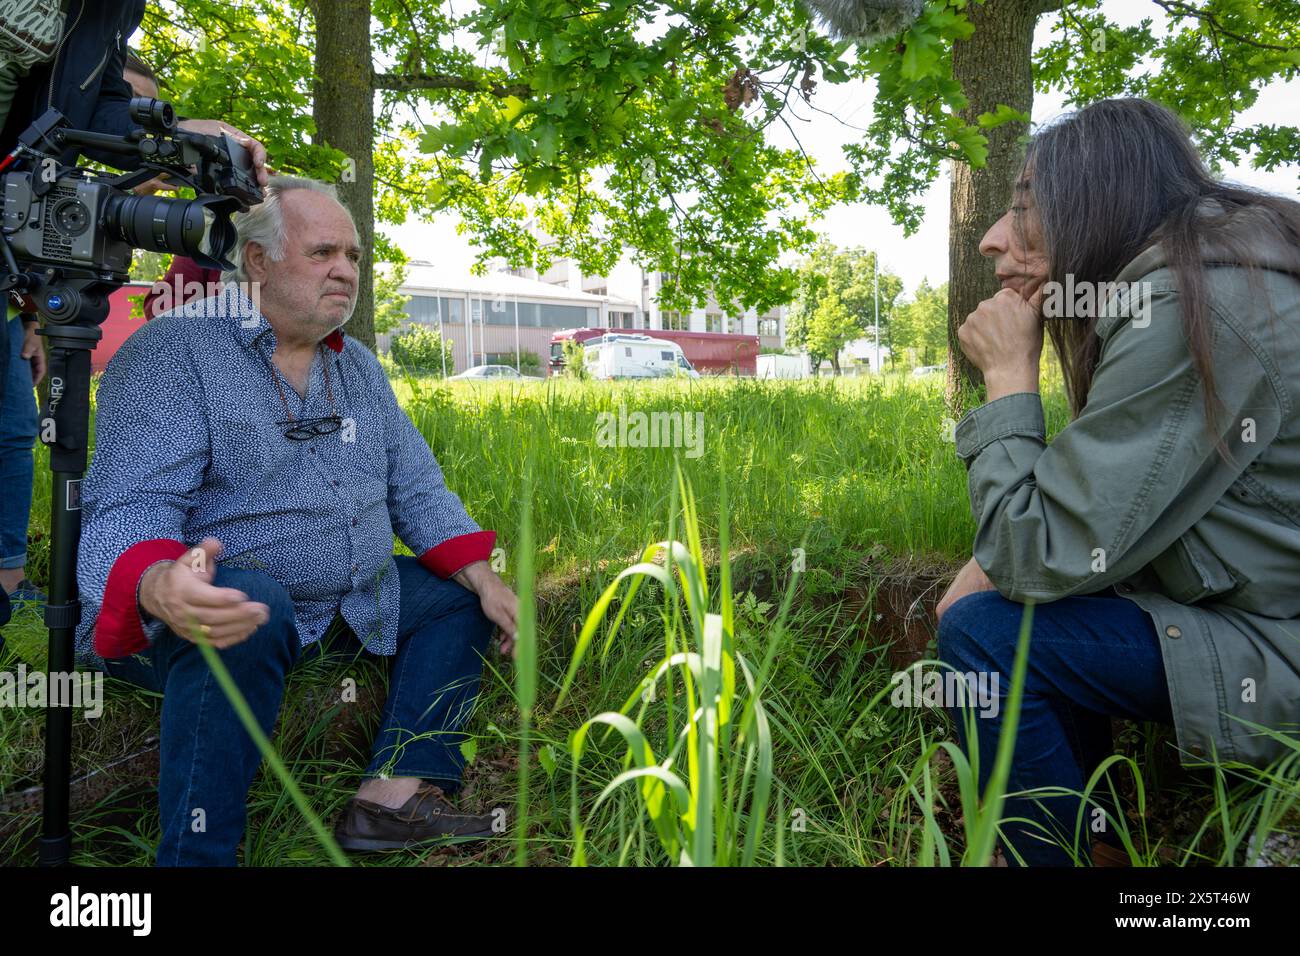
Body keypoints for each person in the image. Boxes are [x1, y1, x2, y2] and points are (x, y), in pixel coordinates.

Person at [75, 175, 520, 866]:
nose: (345, 270)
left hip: (347, 603)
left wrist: (479, 573)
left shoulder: (360, 367)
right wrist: (162, 581)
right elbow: (129, 504)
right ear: (257, 261)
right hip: (215, 619)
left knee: (459, 600)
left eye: (353, 255)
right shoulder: (174, 352)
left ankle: (392, 799)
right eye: (322, 253)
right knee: (248, 603)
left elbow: (417, 487)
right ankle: (195, 857)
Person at [934, 97, 1300, 867]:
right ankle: (1091, 844)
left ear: (1103, 205)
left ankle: (1061, 855)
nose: (995, 238)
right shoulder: (1217, 278)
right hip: (1269, 613)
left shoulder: (1197, 305)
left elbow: (1043, 553)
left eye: (1026, 210)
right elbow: (1104, 503)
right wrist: (986, 570)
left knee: (989, 639)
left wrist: (1007, 380)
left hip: (1280, 645)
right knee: (994, 610)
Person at [0, 2, 270, 612]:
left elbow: (96, 112)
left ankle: (10, 591)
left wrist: (191, 133)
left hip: (11, 252)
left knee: (14, 432)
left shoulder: (115, 8)